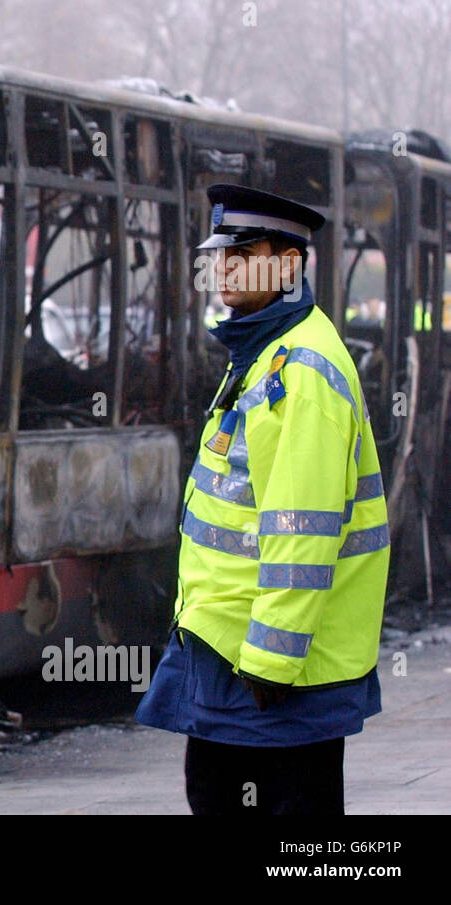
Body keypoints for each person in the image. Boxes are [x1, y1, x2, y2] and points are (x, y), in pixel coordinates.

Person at [136, 184, 389, 815]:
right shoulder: (265, 352)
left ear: (287, 263)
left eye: (239, 253)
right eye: (218, 253)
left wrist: (269, 668)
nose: (219, 268)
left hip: (270, 679)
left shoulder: (300, 372)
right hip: (236, 660)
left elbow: (303, 533)